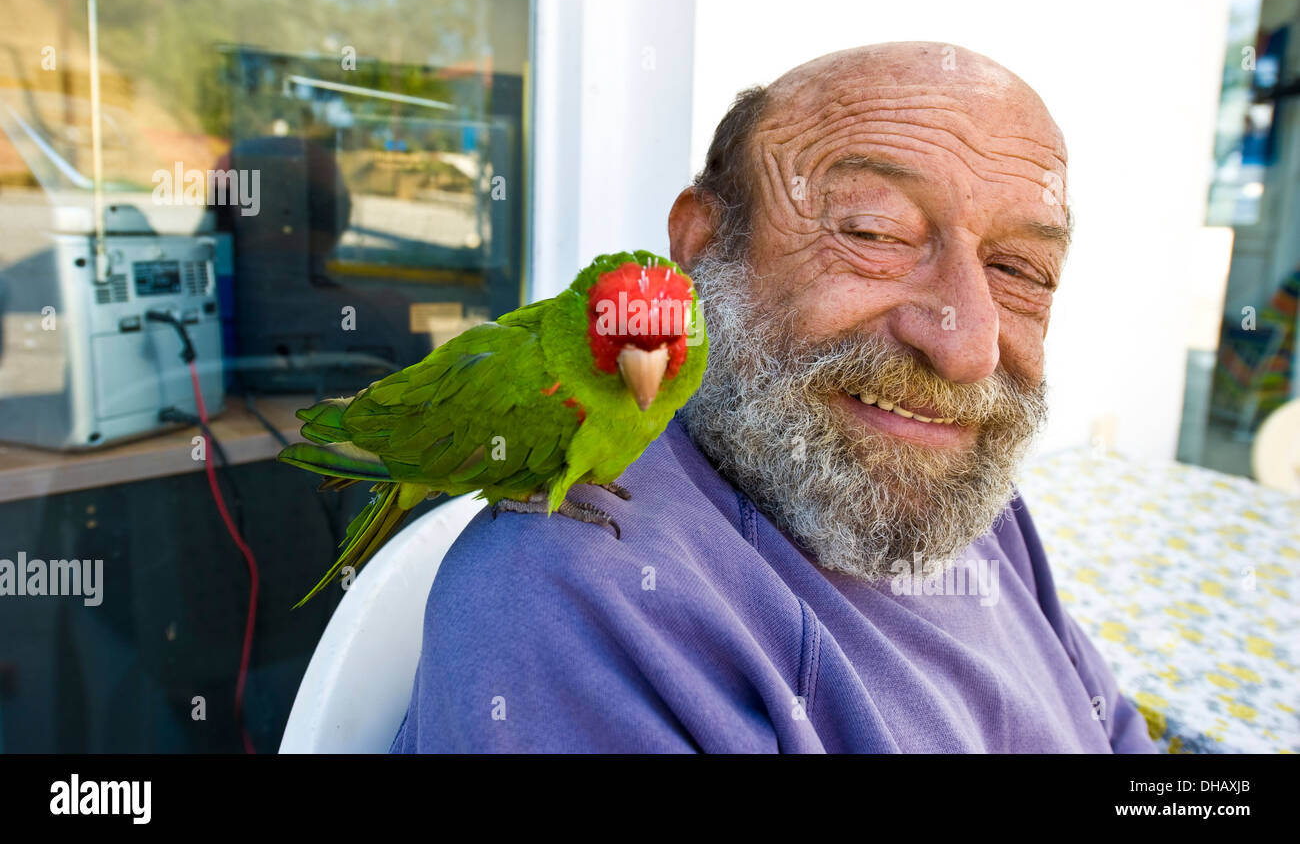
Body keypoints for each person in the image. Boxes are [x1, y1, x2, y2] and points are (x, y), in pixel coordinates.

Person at [389, 42, 1157, 752]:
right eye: (875, 231)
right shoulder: (568, 600)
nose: (965, 350)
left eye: (1021, 268)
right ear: (700, 246)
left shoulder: (967, 490)